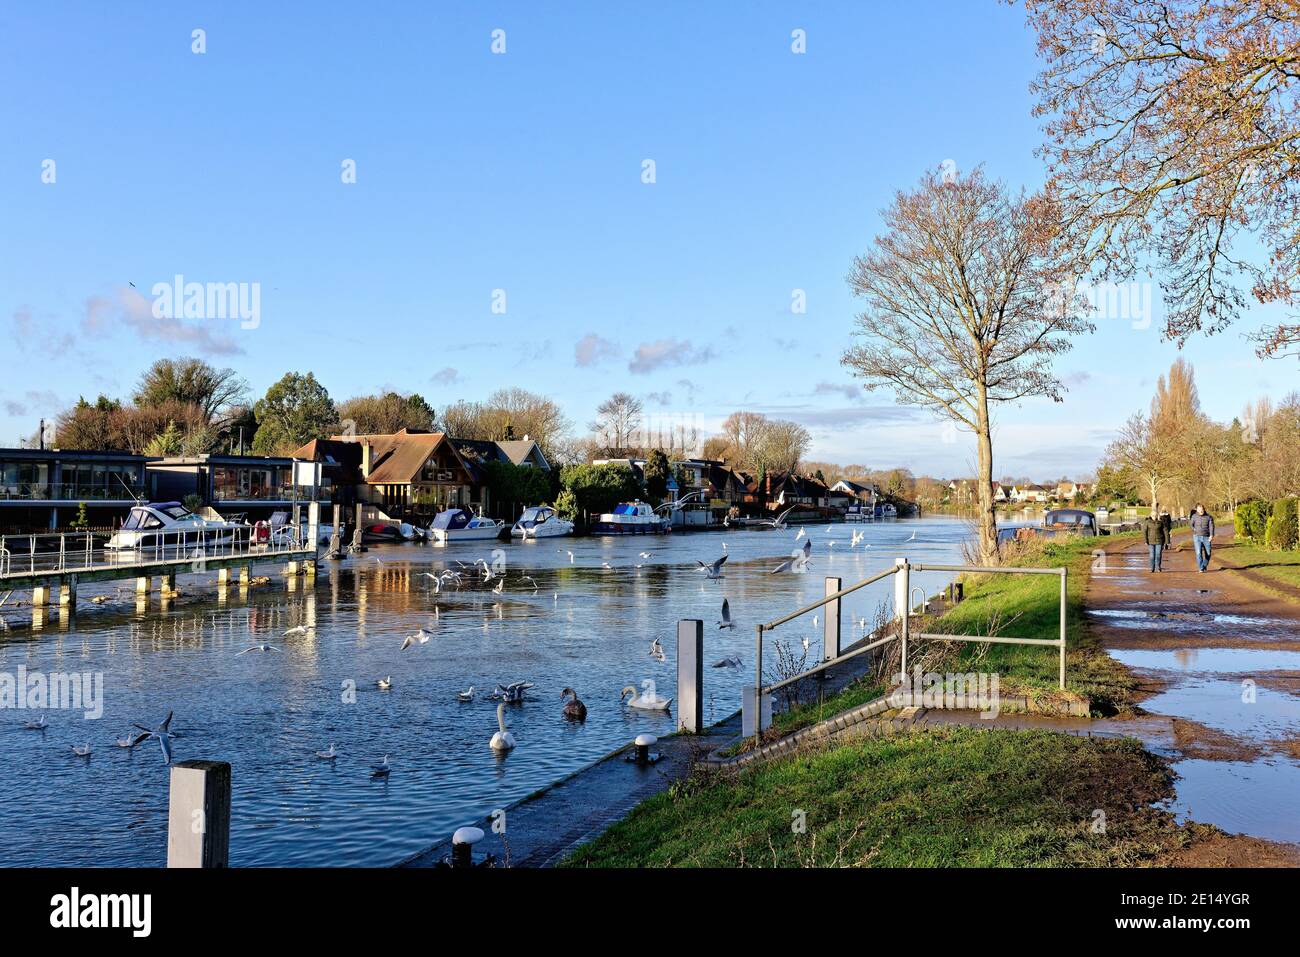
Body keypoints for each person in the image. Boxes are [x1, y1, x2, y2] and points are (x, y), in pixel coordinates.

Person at [1189, 503, 1215, 573]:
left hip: (1206, 537)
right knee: (1198, 553)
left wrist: (1211, 535)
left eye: (1202, 509)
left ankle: (1204, 565)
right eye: (1199, 510)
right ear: (1197, 510)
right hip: (1197, 537)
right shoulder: (1194, 516)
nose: (1201, 511)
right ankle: (1201, 568)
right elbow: (1191, 524)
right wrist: (1194, 529)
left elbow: (1211, 527)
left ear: (1204, 509)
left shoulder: (1209, 517)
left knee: (1208, 553)